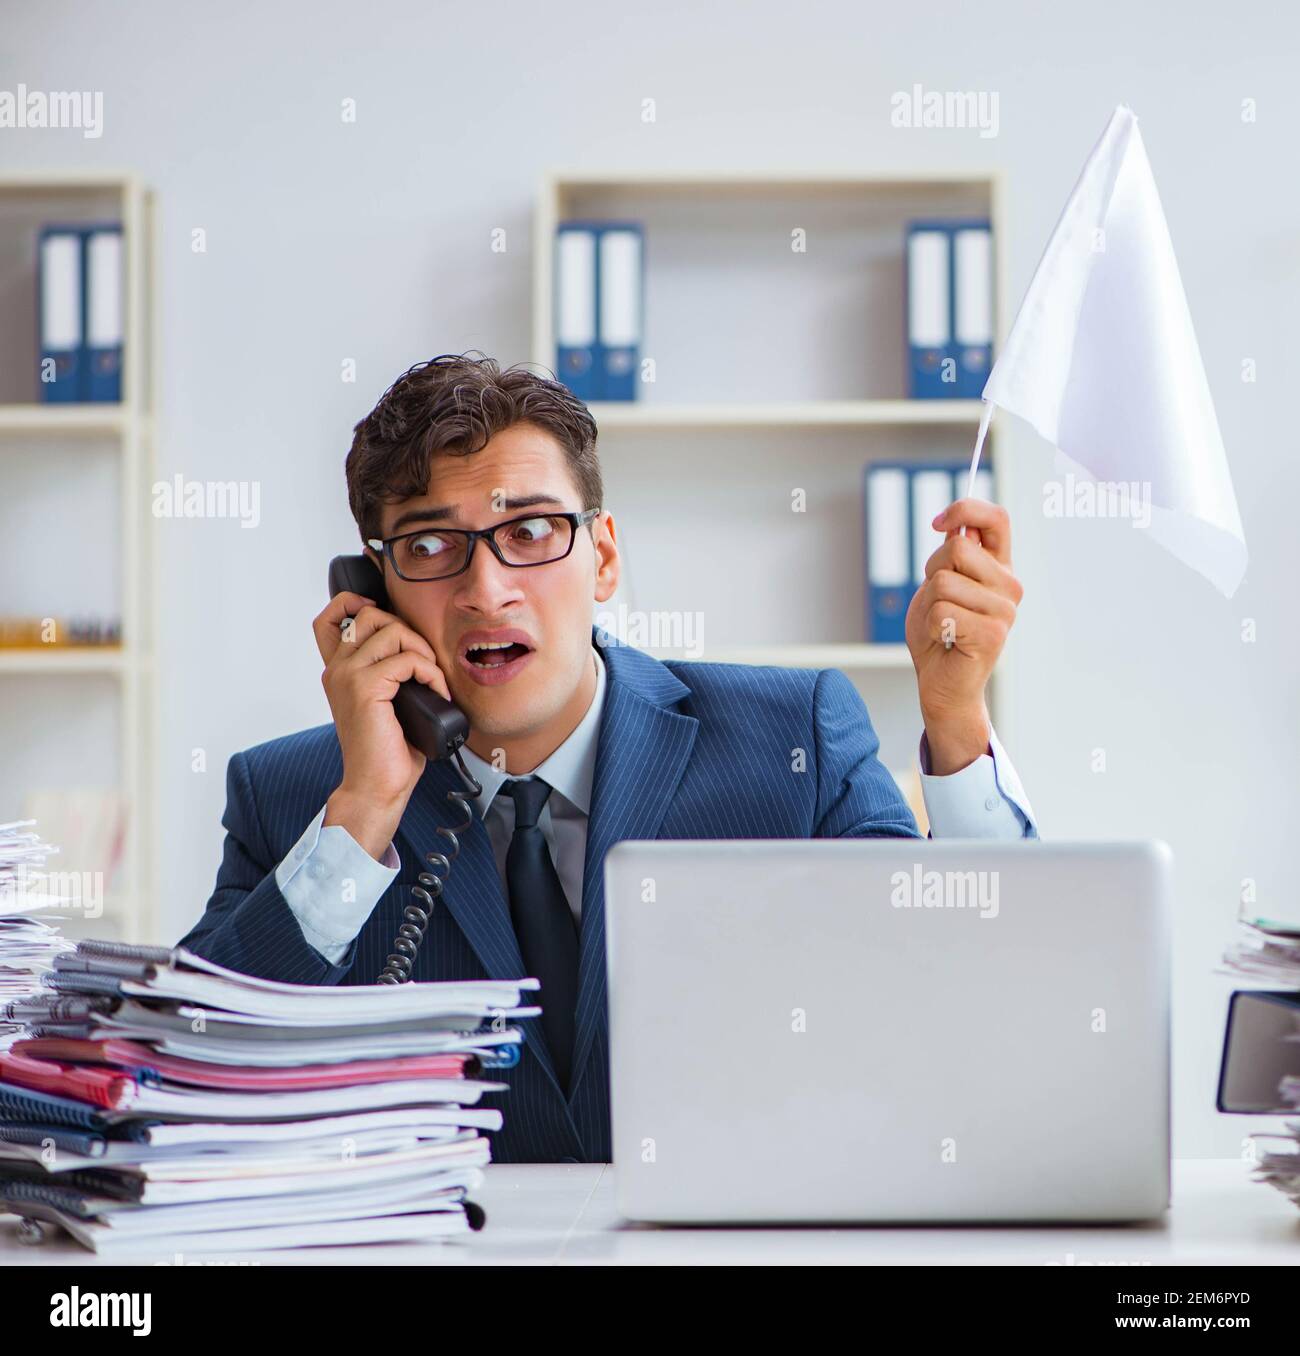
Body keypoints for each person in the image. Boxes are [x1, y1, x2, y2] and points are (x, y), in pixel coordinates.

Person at [179, 352, 1036, 1162]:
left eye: (532, 529)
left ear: (606, 557)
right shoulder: (293, 798)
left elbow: (964, 1000)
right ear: (368, 595)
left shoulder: (793, 740)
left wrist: (956, 719)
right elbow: (180, 1079)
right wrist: (364, 812)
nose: (486, 589)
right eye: (431, 545)